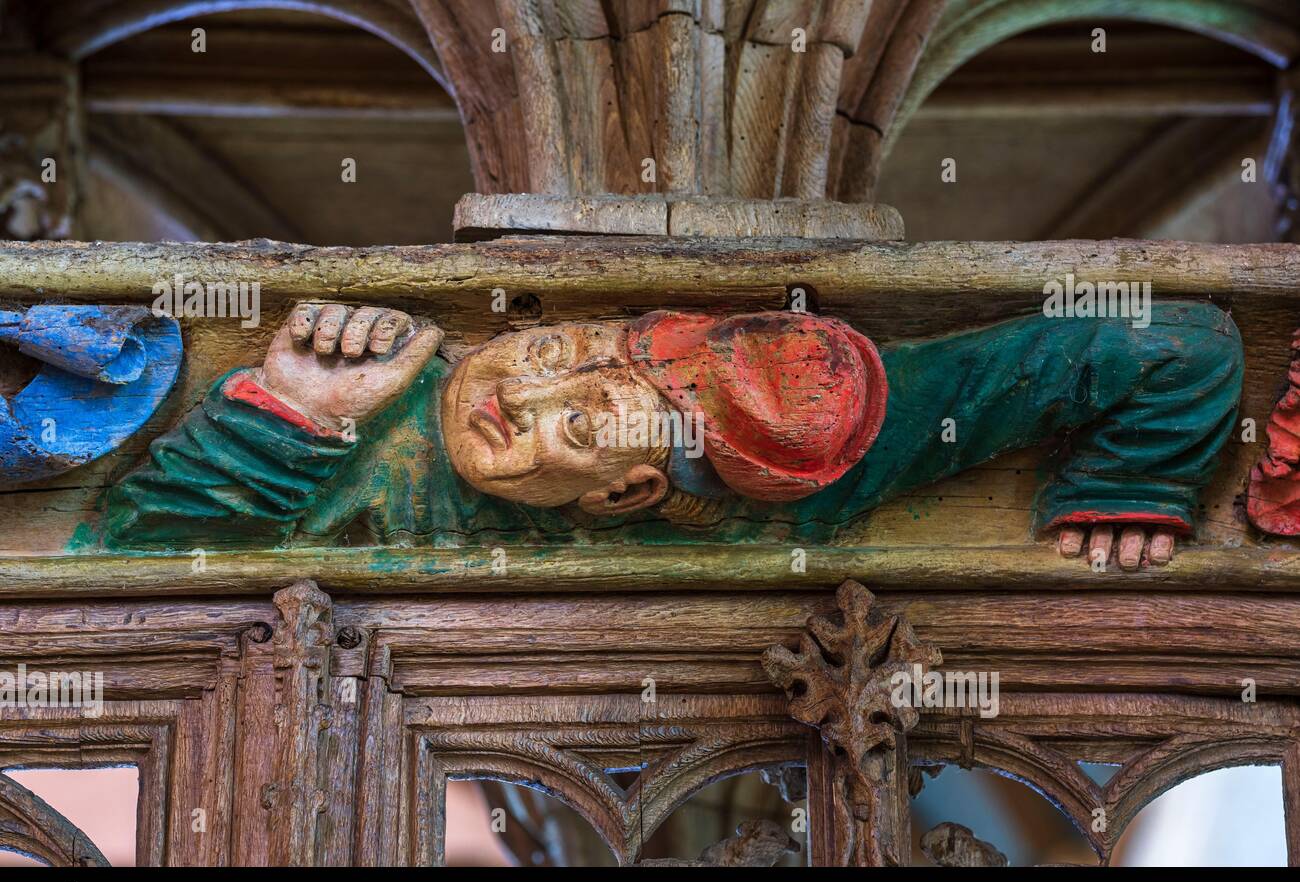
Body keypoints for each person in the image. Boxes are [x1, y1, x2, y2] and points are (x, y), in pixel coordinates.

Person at [102, 299, 1244, 570]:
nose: (521, 394)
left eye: (585, 421)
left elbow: (1175, 342)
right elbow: (135, 572)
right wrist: (304, 407)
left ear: (623, 495)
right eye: (550, 352)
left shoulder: (846, 458)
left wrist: (1130, 475)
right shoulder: (403, 413)